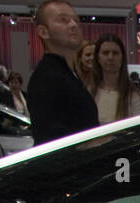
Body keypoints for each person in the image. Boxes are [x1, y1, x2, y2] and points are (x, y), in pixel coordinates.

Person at [26, 0, 98, 142]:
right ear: (43, 32)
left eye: (76, 20)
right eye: (63, 20)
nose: (73, 25)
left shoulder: (67, 74)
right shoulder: (46, 78)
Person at [92, 33, 140, 124]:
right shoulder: (90, 92)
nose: (110, 57)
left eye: (115, 53)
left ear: (122, 57)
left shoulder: (134, 96)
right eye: (105, 53)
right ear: (98, 57)